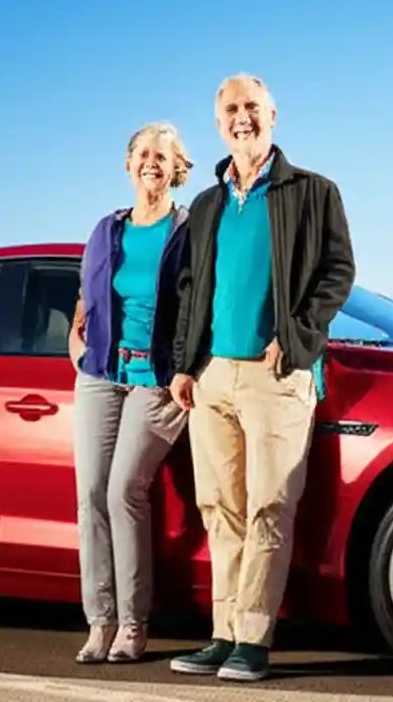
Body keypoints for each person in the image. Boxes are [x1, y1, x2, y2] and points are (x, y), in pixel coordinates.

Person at [167, 73, 356, 682]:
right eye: (230, 109)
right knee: (220, 508)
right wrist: (185, 364)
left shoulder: (312, 191)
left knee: (270, 506)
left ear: (273, 115)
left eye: (251, 106)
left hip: (277, 373)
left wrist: (297, 335)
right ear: (217, 121)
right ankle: (222, 634)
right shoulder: (207, 204)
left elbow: (338, 272)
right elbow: (191, 288)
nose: (241, 117)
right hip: (213, 377)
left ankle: (253, 639)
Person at [67, 122, 193, 664]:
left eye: (162, 156)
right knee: (91, 494)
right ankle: (100, 621)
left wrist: (186, 368)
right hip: (100, 374)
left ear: (177, 168)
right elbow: (87, 296)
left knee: (124, 491)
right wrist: (76, 342)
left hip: (157, 379)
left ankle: (134, 623)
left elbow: (198, 305)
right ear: (128, 164)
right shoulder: (106, 230)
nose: (151, 163)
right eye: (143, 153)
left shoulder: (187, 231)